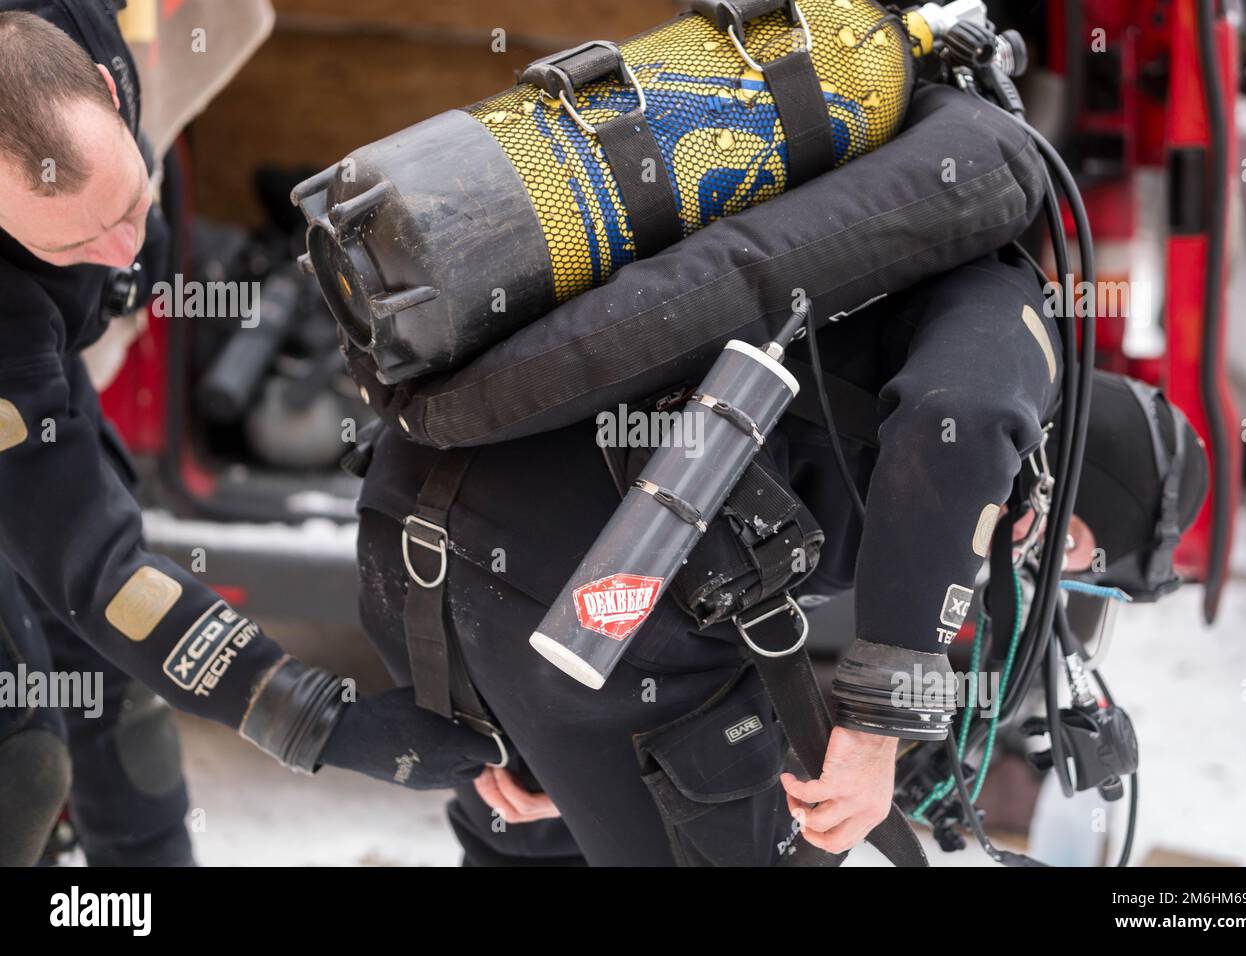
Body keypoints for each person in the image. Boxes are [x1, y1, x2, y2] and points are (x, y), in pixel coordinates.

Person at [0, 6, 525, 867]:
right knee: (22, 765)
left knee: (115, 689)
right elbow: (100, 573)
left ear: (105, 81)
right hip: (22, 381)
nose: (126, 248)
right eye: (77, 242)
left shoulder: (88, 32)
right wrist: (328, 722)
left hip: (55, 351)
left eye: (130, 203)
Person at [352, 247, 1068, 865]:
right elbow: (964, 419)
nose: (1054, 552)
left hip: (411, 514)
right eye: (1085, 551)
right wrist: (879, 725)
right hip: (595, 600)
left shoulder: (874, 258)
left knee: (529, 845)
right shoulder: (1016, 326)